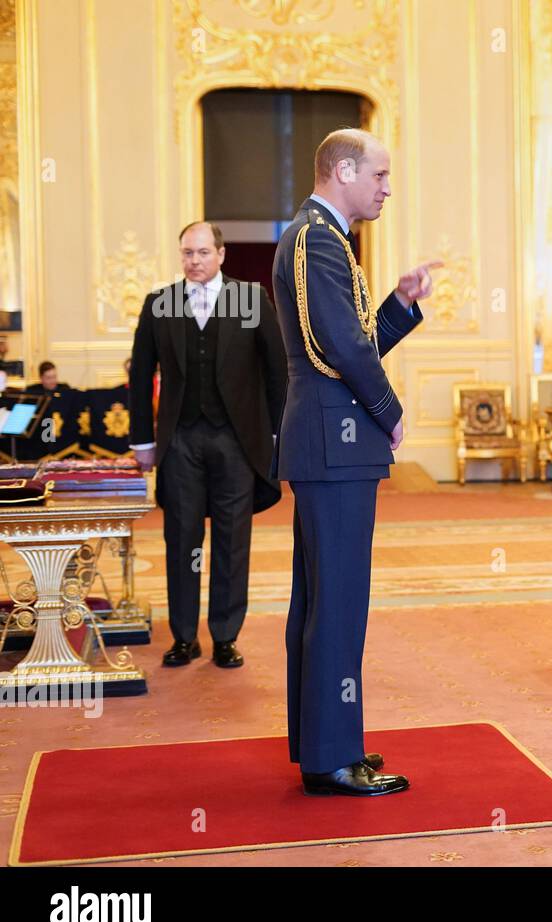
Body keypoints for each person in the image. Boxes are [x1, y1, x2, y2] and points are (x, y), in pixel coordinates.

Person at [272, 128, 438, 797]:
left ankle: (327, 748)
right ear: (342, 170)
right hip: (334, 440)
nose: (387, 188)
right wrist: (389, 410)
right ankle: (331, 759)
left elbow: (353, 336)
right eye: (379, 176)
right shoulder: (317, 238)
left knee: (324, 601)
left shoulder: (321, 238)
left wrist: (399, 305)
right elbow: (339, 345)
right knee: (336, 604)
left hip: (328, 441)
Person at [129, 221, 287, 669]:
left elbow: (277, 372)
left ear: (221, 254)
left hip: (237, 439)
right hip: (179, 440)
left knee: (232, 540)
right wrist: (143, 442)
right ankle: (184, 637)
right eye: (186, 253)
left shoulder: (250, 298)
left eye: (201, 252)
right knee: (181, 539)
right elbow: (140, 377)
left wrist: (279, 436)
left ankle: (224, 636)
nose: (193, 261)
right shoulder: (160, 304)